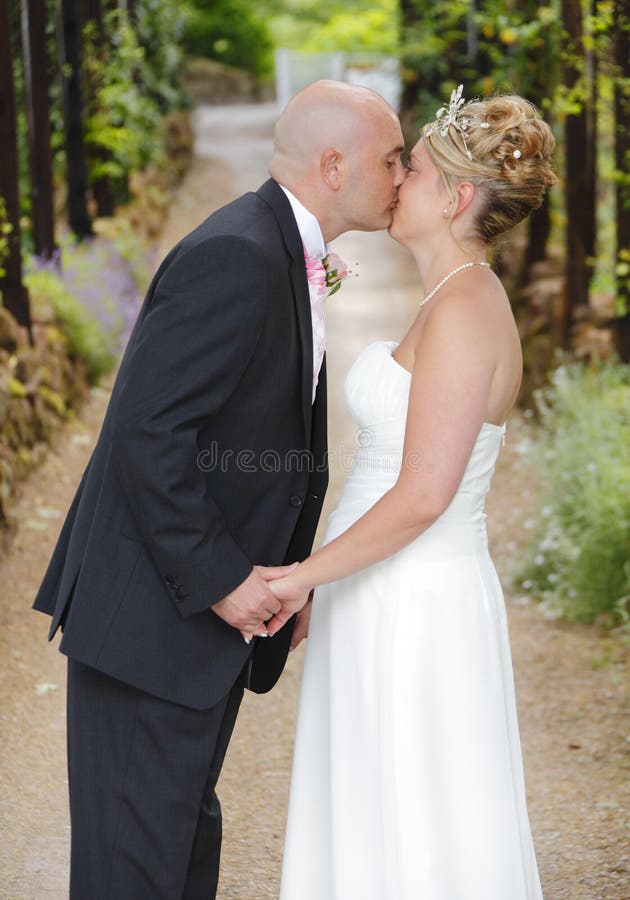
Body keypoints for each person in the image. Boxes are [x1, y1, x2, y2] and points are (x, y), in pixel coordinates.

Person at [32, 80, 405, 899]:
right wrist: (225, 581)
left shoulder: (282, 249)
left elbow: (255, 441)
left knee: (180, 847)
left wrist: (287, 574)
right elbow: (145, 434)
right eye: (392, 158)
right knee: (134, 867)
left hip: (198, 633)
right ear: (335, 165)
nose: (403, 174)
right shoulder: (237, 252)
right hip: (153, 622)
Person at [267, 87, 556, 899]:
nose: (397, 182)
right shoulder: (449, 296)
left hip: (414, 604)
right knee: (376, 806)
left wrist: (297, 579)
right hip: (379, 587)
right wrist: (331, 583)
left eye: (415, 169)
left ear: (458, 197)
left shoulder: (467, 306)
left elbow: (425, 493)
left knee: (414, 816)